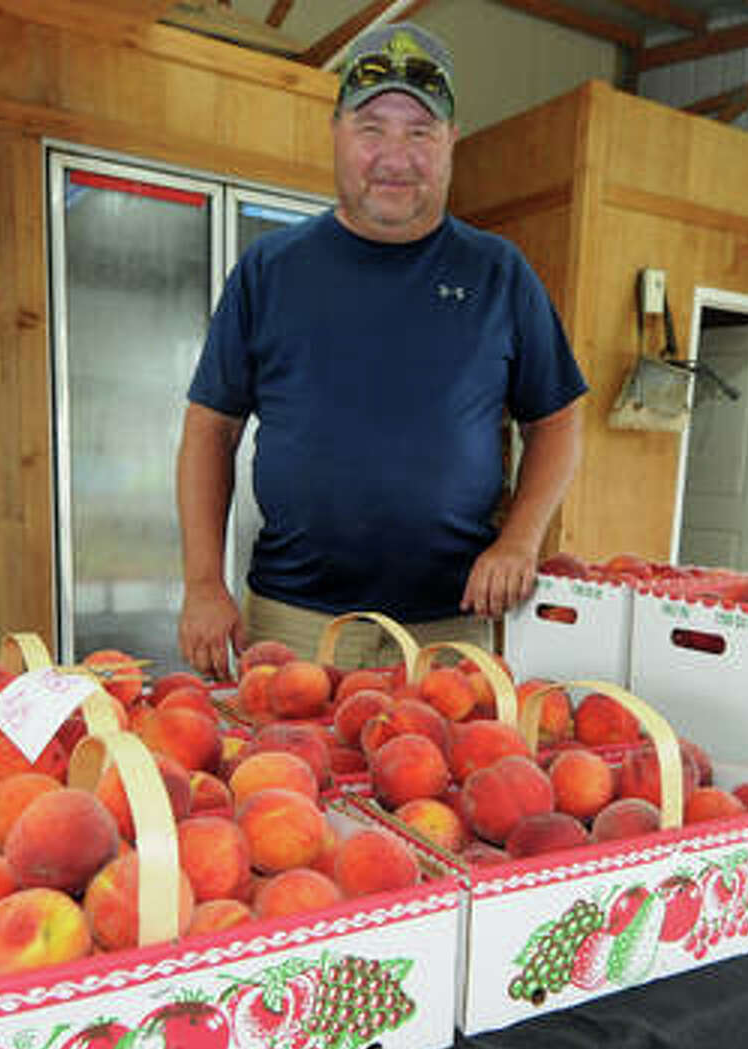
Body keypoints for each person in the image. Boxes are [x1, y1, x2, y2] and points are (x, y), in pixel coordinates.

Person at [176, 21, 586, 680]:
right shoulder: (269, 270)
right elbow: (210, 427)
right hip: (290, 621)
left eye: (420, 131)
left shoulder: (500, 273)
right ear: (336, 132)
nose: (396, 156)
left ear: (451, 141)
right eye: (372, 128)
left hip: (451, 628)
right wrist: (201, 583)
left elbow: (558, 418)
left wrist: (519, 539)